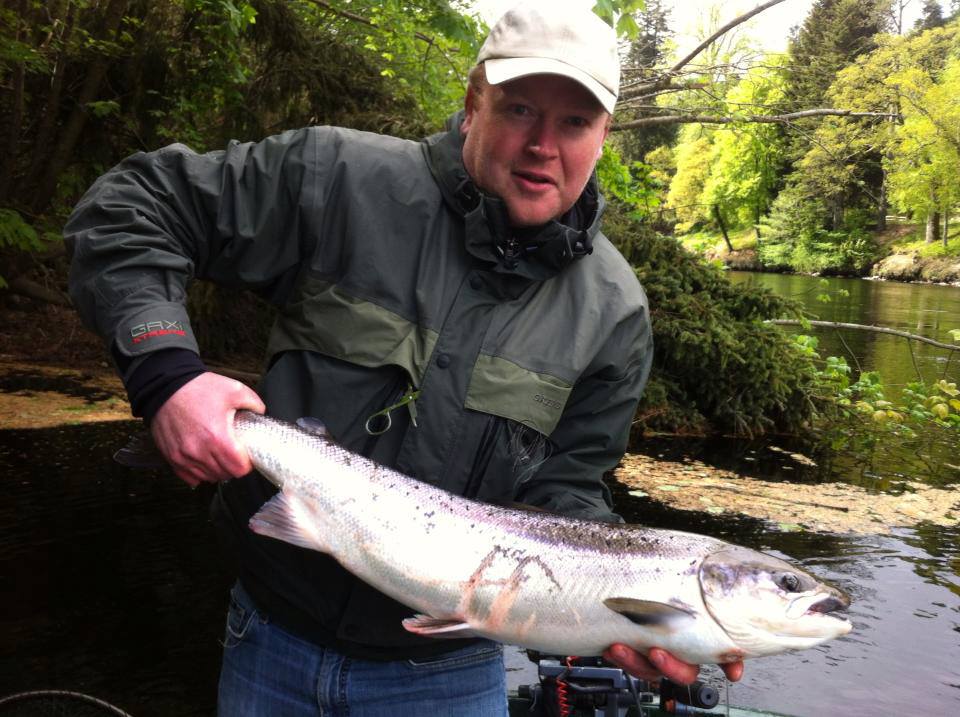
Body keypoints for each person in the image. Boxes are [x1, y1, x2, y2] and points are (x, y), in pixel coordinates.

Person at [66, 1, 742, 714]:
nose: (545, 143)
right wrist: (166, 372)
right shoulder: (337, 179)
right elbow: (131, 206)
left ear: (604, 136)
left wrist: (607, 614)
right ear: (473, 101)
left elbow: (567, 495)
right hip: (270, 636)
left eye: (574, 122)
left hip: (449, 674)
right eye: (519, 109)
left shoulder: (615, 313)